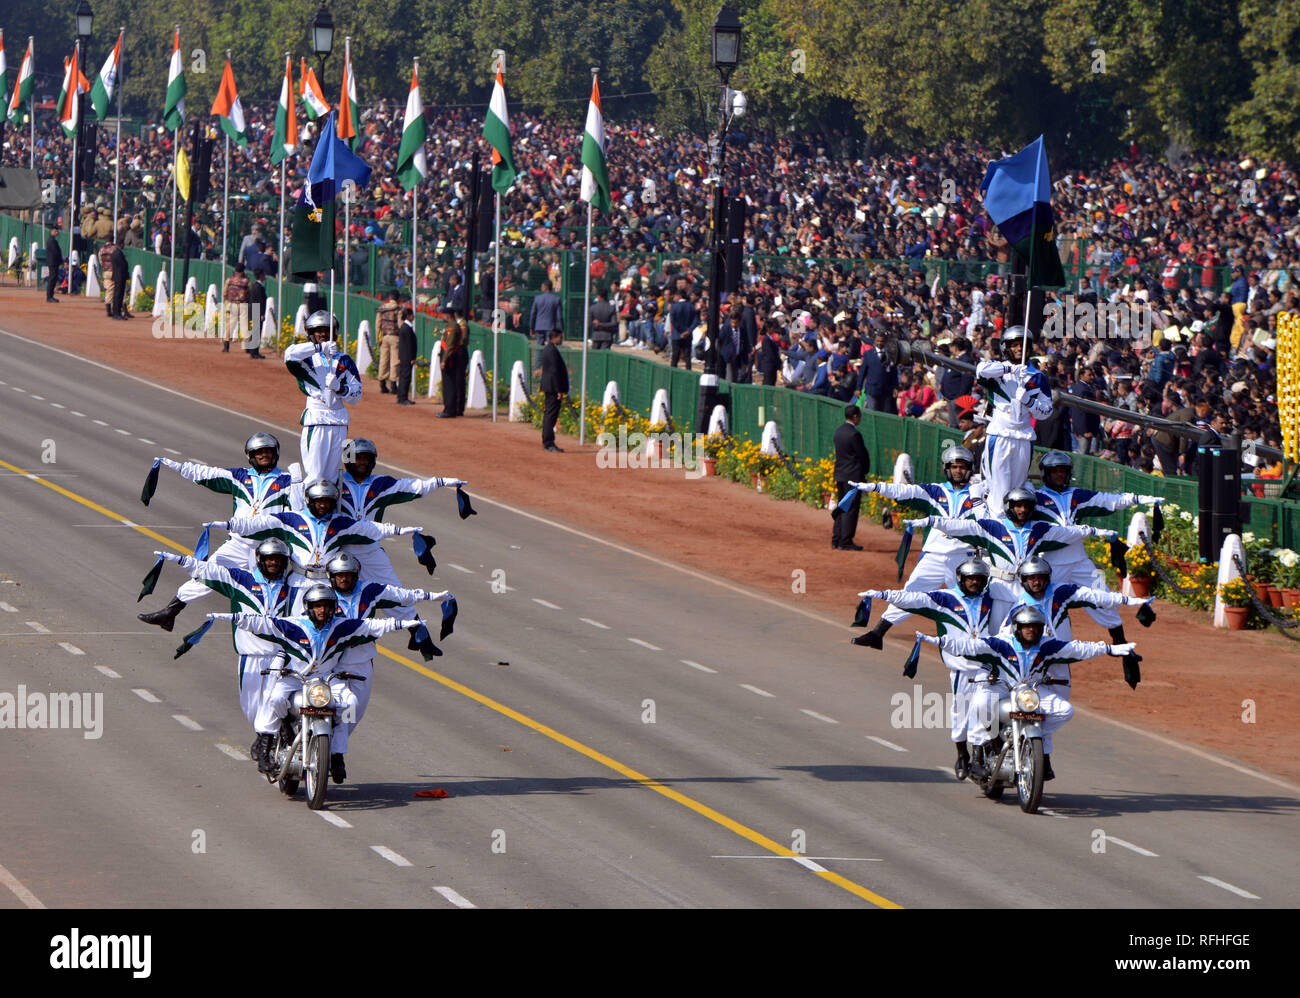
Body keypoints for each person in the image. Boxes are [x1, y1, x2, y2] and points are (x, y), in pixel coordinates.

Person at [207, 586, 423, 783]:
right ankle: (269, 741)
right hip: (294, 678)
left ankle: (337, 754)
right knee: (275, 698)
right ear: (308, 608)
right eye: (317, 606)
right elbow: (261, 622)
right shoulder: (294, 624)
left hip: (327, 679)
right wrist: (228, 616)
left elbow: (371, 625)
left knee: (351, 704)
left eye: (326, 606)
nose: (322, 610)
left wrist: (405, 623)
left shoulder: (341, 626)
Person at [919, 605, 1137, 782]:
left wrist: (1110, 649)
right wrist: (939, 641)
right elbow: (969, 645)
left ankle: (1033, 740)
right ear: (1017, 628)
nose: (1031, 630)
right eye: (1026, 626)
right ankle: (984, 745)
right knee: (980, 703)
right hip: (1002, 686)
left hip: (1031, 690)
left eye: (1035, 627)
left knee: (1066, 710)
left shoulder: (1047, 645)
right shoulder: (1000, 643)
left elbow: (1077, 648)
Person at [856, 555, 1017, 780]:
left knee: (984, 709)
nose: (975, 583)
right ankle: (962, 755)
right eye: (970, 579)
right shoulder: (945, 599)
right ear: (960, 579)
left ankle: (980, 758)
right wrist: (882, 595)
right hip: (961, 669)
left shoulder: (991, 600)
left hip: (986, 667)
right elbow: (912, 598)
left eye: (980, 579)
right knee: (960, 717)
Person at [152, 539, 305, 771]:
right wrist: (182, 560)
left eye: (278, 560)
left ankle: (267, 749)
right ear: (260, 561)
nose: (274, 563)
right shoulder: (243, 580)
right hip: (249, 654)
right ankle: (279, 729)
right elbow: (211, 571)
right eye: (269, 559)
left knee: (273, 701)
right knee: (252, 707)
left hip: (280, 654)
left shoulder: (294, 586)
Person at [137, 433, 301, 633]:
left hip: (271, 552)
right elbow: (207, 474)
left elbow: (301, 511)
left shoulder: (287, 481)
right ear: (250, 455)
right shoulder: (240, 477)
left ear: (275, 453)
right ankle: (170, 613)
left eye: (268, 451)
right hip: (238, 545)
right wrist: (177, 467)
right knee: (207, 573)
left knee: (275, 595)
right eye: (259, 452)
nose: (264, 455)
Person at [320, 552, 453, 779]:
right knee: (335, 708)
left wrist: (432, 596)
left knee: (353, 714)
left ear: (356, 575)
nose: (344, 579)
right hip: (331, 663)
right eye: (339, 575)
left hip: (362, 663)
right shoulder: (321, 595)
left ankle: (330, 748)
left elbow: (401, 595)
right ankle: (334, 755)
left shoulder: (370, 590)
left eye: (348, 575)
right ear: (332, 577)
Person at [850, 445, 982, 646]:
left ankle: (980, 647)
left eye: (962, 467)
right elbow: (903, 490)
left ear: (970, 469)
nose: (958, 470)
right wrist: (876, 487)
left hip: (964, 559)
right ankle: (878, 633)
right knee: (910, 593)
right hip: (934, 556)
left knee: (972, 602)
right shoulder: (934, 490)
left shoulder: (978, 495)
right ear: (946, 468)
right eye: (954, 466)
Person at [1006, 556, 1152, 689]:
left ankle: (1120, 641)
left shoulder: (1058, 589)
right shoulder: (1018, 604)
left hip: (1074, 560)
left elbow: (1095, 596)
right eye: (1032, 578)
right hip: (1008, 582)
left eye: (1039, 578)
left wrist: (1127, 600)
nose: (1036, 581)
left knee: (1062, 702)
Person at [974, 343, 1054, 514]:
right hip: (1000, 434)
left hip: (1024, 437)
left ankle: (1013, 532)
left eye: (1021, 345)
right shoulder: (998, 370)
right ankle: (994, 526)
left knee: (1017, 488)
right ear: (1006, 348)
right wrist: (1009, 369)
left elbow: (1046, 411)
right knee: (997, 487)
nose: (1019, 348)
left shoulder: (1038, 377)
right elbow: (981, 371)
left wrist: (1029, 401)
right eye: (1015, 345)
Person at [284, 311, 362, 483]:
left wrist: (340, 388)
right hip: (317, 419)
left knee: (333, 477)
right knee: (315, 477)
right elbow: (289, 355)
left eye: (327, 330)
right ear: (311, 333)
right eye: (318, 330)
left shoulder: (345, 360)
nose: (324, 334)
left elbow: (356, 395)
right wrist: (320, 348)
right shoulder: (306, 358)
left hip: (339, 421)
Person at [831, 405, 872, 550]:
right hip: (853, 476)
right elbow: (862, 455)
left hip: (840, 474)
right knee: (851, 508)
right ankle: (846, 540)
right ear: (855, 416)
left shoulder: (838, 431)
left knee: (842, 505)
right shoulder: (854, 434)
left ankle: (836, 539)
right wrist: (865, 471)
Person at [535, 328, 569, 452]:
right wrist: (558, 390)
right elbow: (554, 372)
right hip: (552, 388)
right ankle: (548, 442)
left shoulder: (548, 349)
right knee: (551, 415)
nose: (562, 339)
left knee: (549, 415)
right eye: (560, 337)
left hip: (549, 387)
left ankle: (548, 441)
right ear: (555, 337)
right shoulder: (552, 351)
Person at [438, 318, 469, 418]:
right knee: (455, 381)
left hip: (458, 353)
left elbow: (461, 340)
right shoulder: (453, 325)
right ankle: (455, 407)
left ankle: (457, 407)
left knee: (457, 382)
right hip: (454, 353)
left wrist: (445, 358)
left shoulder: (460, 324)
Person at [222, 262, 251, 354]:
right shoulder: (247, 281)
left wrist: (227, 301)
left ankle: (226, 346)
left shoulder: (230, 280)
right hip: (243, 305)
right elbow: (250, 293)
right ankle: (246, 346)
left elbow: (224, 293)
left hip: (231, 304)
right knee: (244, 326)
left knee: (229, 326)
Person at [375, 292, 402, 393]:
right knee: (395, 361)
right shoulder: (398, 309)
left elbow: (378, 325)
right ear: (397, 298)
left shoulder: (382, 308)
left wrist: (378, 339)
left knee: (384, 360)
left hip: (384, 336)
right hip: (395, 337)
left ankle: (382, 383)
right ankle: (394, 384)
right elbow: (400, 324)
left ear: (389, 297)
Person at [668, 288, 697, 370]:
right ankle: (688, 371)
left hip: (677, 334)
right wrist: (688, 331)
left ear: (679, 296)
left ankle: (673, 371)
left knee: (675, 355)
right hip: (688, 335)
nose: (674, 298)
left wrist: (681, 331)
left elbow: (673, 320)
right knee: (687, 355)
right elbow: (695, 320)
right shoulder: (691, 306)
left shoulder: (674, 306)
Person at [530, 279, 563, 346]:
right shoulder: (556, 299)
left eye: (542, 286)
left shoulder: (537, 298)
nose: (541, 288)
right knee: (550, 347)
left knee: (539, 347)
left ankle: (538, 357)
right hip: (551, 327)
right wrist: (562, 329)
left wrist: (532, 327)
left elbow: (533, 314)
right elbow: (559, 317)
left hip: (539, 327)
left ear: (545, 287)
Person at [395, 306, 417, 404]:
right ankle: (403, 398)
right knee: (405, 377)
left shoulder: (405, 327)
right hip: (407, 357)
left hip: (404, 357)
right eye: (412, 315)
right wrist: (412, 357)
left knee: (403, 376)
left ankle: (401, 397)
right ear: (408, 316)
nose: (413, 316)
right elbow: (409, 345)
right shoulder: (407, 328)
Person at [110, 237, 130, 319]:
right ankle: (116, 313)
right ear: (121, 244)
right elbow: (122, 266)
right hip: (120, 276)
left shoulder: (115, 252)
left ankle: (117, 312)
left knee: (118, 295)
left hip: (118, 276)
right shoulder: (118, 253)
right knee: (118, 295)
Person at [45, 222, 64, 303]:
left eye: (57, 231)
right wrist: (60, 260)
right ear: (51, 231)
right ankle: (49, 297)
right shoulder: (51, 241)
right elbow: (55, 252)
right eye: (55, 231)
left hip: (54, 262)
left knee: (54, 278)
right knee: (52, 279)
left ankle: (51, 295)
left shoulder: (53, 240)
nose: (57, 232)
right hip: (53, 263)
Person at [98, 240, 117, 318]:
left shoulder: (101, 250)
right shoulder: (114, 249)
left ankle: (108, 310)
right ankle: (121, 309)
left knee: (108, 291)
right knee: (119, 290)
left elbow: (100, 261)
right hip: (114, 271)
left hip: (106, 272)